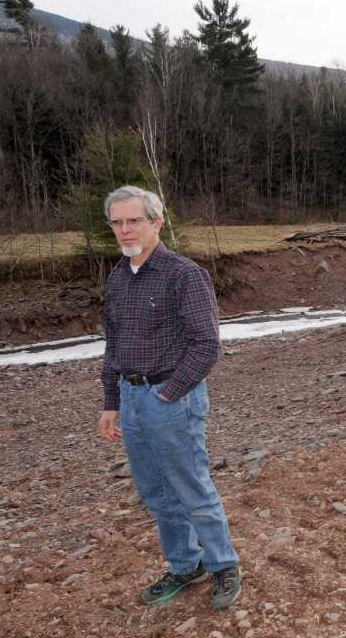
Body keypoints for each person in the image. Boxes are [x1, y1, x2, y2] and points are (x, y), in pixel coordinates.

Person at [96, 186, 241, 610]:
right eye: (117, 222)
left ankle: (223, 564)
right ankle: (185, 566)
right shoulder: (118, 277)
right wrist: (112, 402)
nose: (125, 230)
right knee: (156, 492)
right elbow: (113, 347)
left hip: (172, 399)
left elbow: (206, 346)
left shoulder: (184, 274)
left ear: (156, 223)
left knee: (192, 487)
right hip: (131, 395)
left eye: (134, 220)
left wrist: (167, 395)